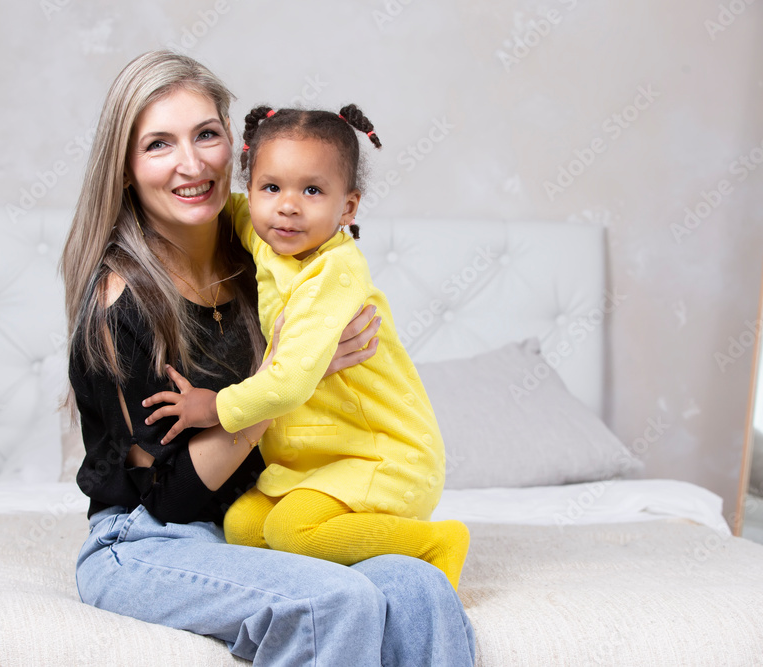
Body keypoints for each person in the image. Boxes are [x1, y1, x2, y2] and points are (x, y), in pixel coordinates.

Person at [63, 50, 476, 666]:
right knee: (333, 601)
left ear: (235, 144)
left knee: (418, 589)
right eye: (158, 145)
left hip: (252, 520)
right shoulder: (120, 302)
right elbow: (169, 500)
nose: (192, 163)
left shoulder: (265, 249)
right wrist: (293, 377)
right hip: (146, 538)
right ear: (124, 169)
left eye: (206, 135)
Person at [145, 104, 470, 590]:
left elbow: (290, 383)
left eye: (312, 191)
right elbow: (216, 205)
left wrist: (214, 407)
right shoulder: (270, 237)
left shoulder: (332, 271)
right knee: (243, 527)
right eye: (271, 187)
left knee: (291, 530)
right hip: (313, 461)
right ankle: (334, 564)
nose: (288, 206)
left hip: (381, 456)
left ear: (348, 208)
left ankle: (436, 542)